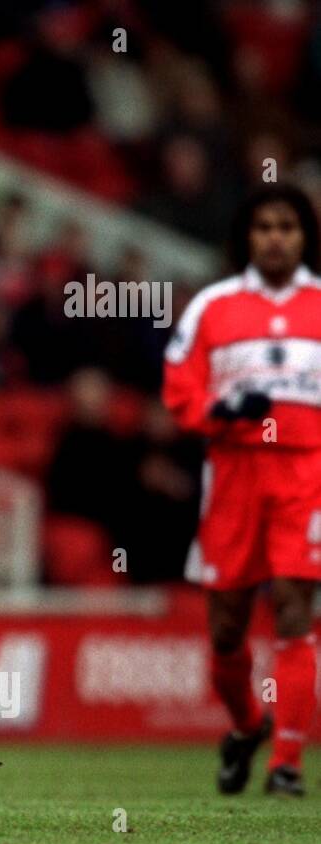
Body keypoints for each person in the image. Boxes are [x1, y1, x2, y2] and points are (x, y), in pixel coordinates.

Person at [163, 182, 321, 797]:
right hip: (233, 477)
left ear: (304, 236)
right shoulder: (213, 307)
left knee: (293, 608)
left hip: (307, 475)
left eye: (287, 226)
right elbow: (180, 393)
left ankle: (288, 764)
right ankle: (247, 726)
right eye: (264, 227)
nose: (276, 237)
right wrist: (225, 407)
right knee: (225, 630)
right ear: (246, 238)